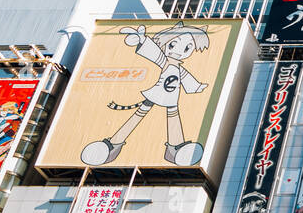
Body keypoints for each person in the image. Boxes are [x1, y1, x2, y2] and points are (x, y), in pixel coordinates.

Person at [81, 22, 210, 167]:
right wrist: (142, 39)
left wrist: (198, 86)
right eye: (173, 45)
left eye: (187, 48)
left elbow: (187, 78)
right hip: (157, 92)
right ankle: (112, 145)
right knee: (139, 115)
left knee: (173, 119)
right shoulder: (164, 61)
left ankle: (175, 149)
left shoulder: (178, 69)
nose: (178, 51)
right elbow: (154, 53)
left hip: (171, 96)